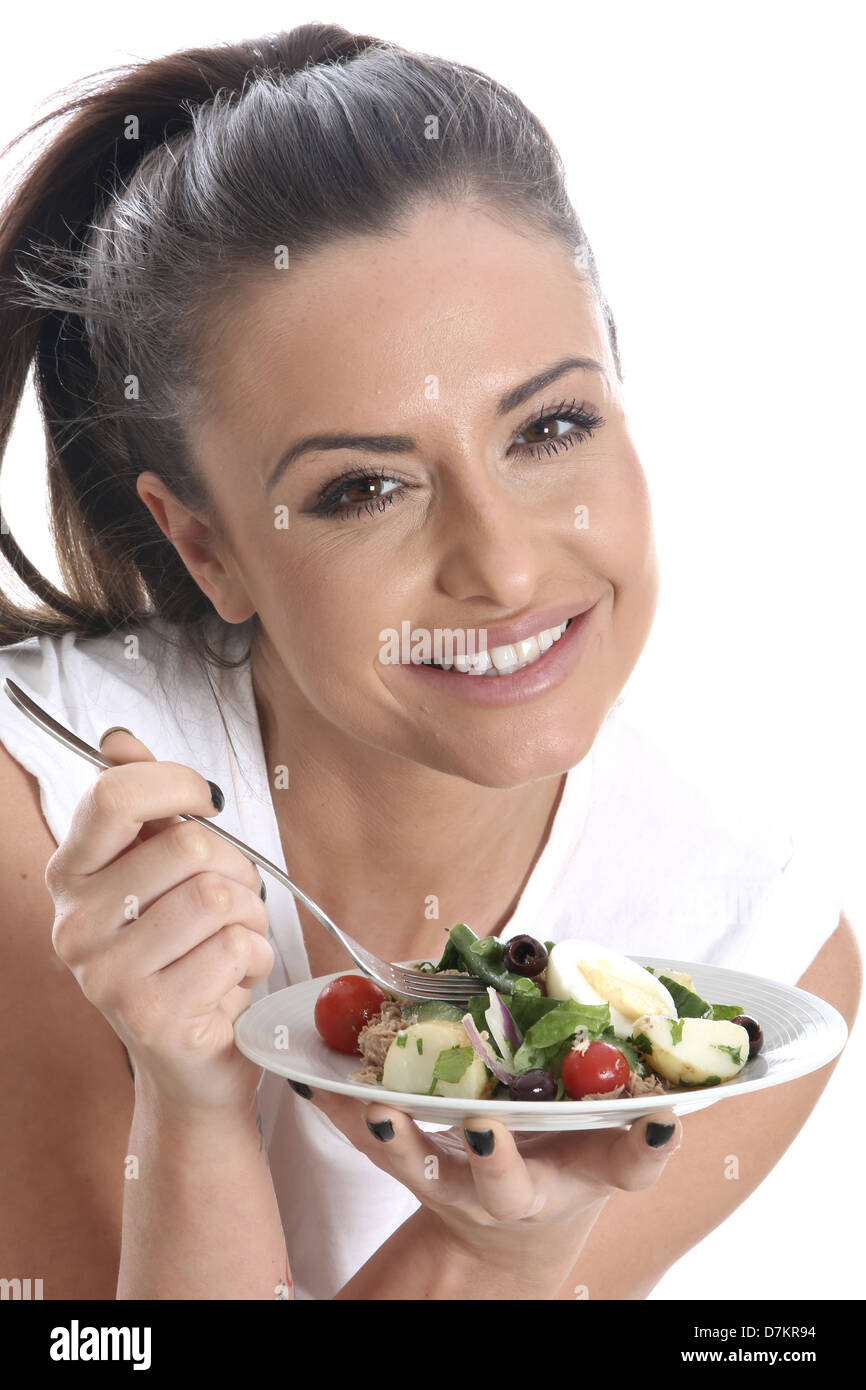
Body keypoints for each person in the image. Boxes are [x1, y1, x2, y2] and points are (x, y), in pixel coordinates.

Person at [0, 22, 859, 1302]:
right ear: (207, 546)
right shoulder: (44, 820)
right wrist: (190, 1113)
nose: (505, 571)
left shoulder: (758, 969)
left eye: (551, 424)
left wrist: (506, 1248)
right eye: (361, 488)